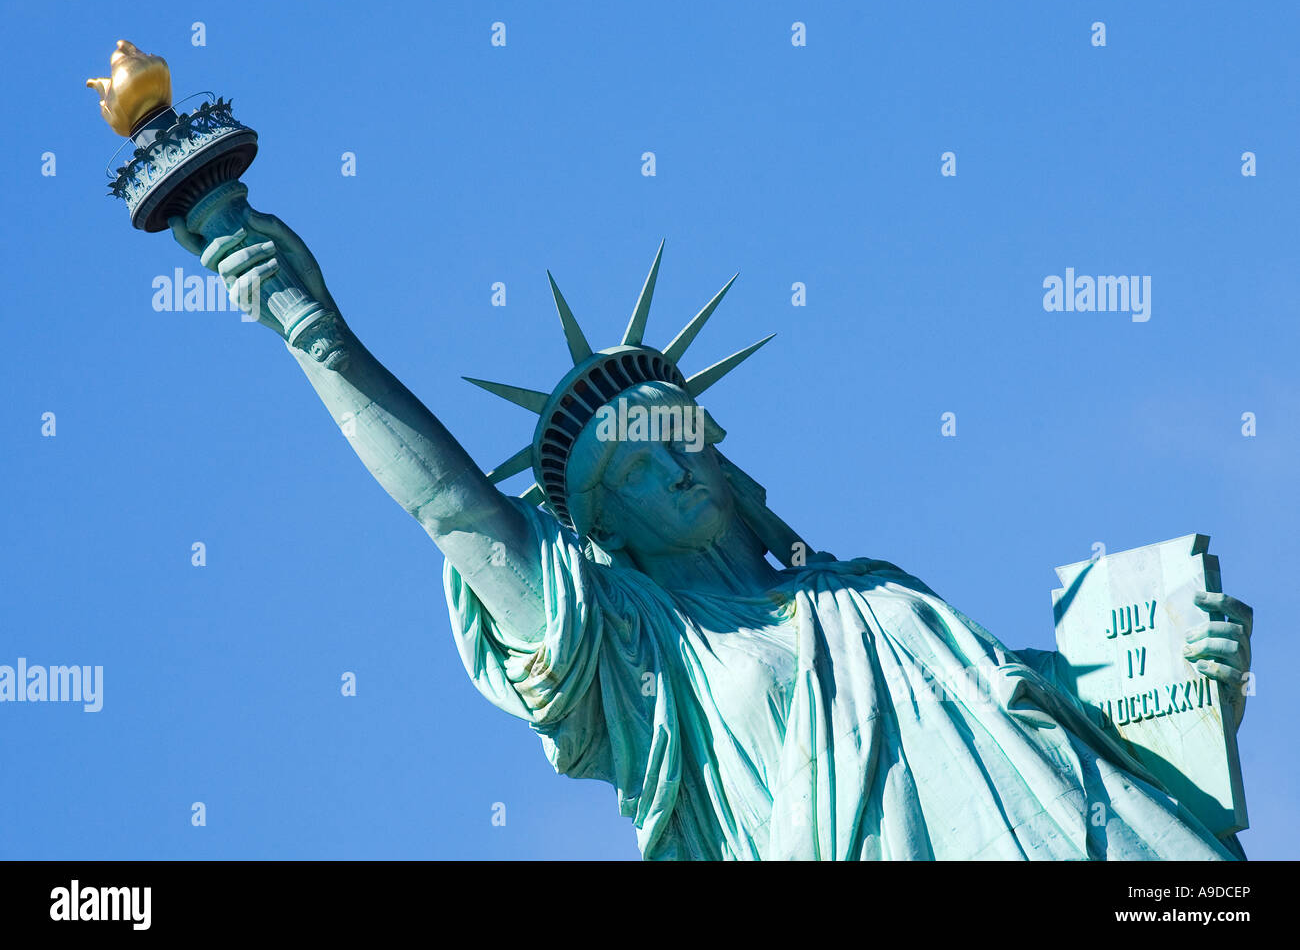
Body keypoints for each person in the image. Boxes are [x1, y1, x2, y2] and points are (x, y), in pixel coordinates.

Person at [170, 208, 1253, 860]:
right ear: (607, 530)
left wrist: (1172, 662)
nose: (671, 468)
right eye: (635, 470)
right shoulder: (645, 657)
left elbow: (1034, 703)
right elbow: (454, 509)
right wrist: (312, 328)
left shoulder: (868, 595)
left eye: (677, 441)